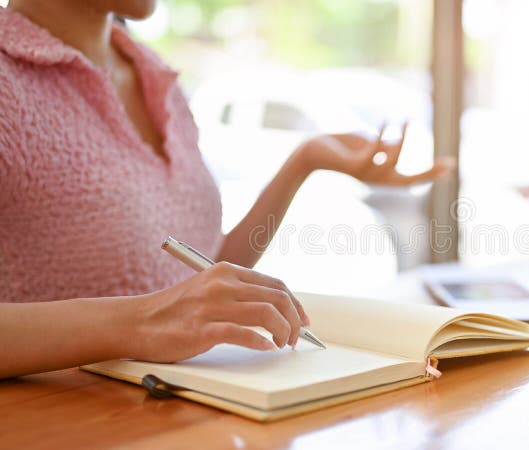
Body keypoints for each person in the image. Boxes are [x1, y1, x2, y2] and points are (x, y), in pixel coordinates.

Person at [0, 0, 451, 379]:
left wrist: (305, 161)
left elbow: (198, 272)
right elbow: (162, 314)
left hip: (181, 416)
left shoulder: (154, 76)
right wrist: (139, 322)